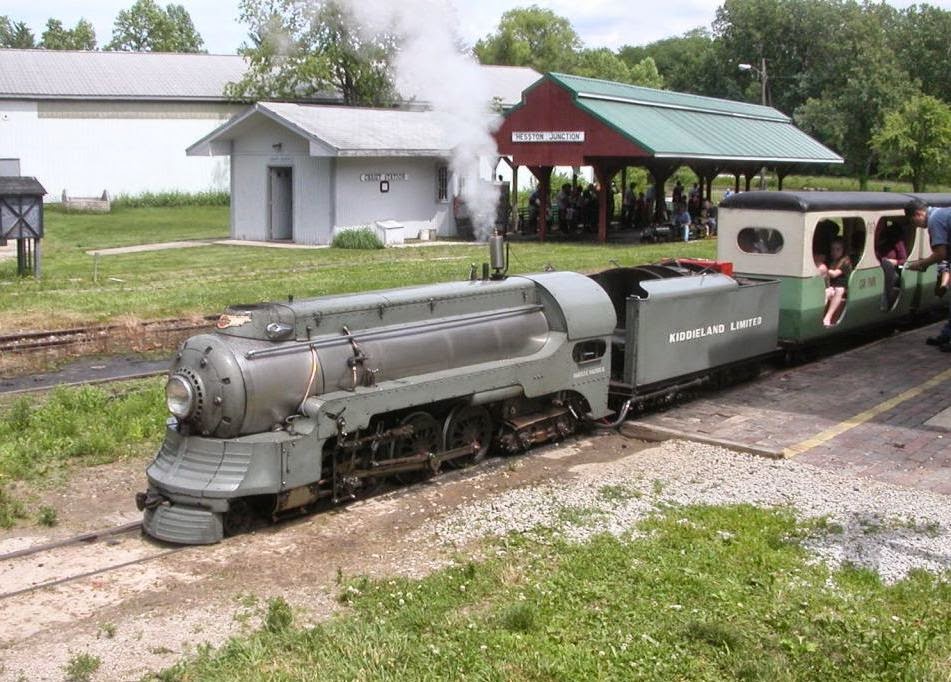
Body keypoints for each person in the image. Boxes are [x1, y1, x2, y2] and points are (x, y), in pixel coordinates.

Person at [904, 199, 951, 350]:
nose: (916, 227)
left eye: (913, 222)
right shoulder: (942, 213)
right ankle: (946, 335)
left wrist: (921, 264)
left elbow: (940, 253)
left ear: (918, 214)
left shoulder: (935, 220)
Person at [876, 222, 908, 310]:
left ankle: (885, 303)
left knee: (887, 266)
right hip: (878, 268)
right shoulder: (877, 241)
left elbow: (904, 260)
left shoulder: (897, 242)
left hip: (893, 270)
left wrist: (894, 262)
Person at [822, 237, 851, 327]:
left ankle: (828, 316)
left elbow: (834, 274)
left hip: (842, 286)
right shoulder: (830, 261)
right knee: (827, 292)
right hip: (832, 286)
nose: (834, 252)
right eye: (833, 249)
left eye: (838, 249)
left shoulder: (845, 262)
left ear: (843, 250)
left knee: (839, 290)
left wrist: (824, 270)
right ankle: (819, 315)